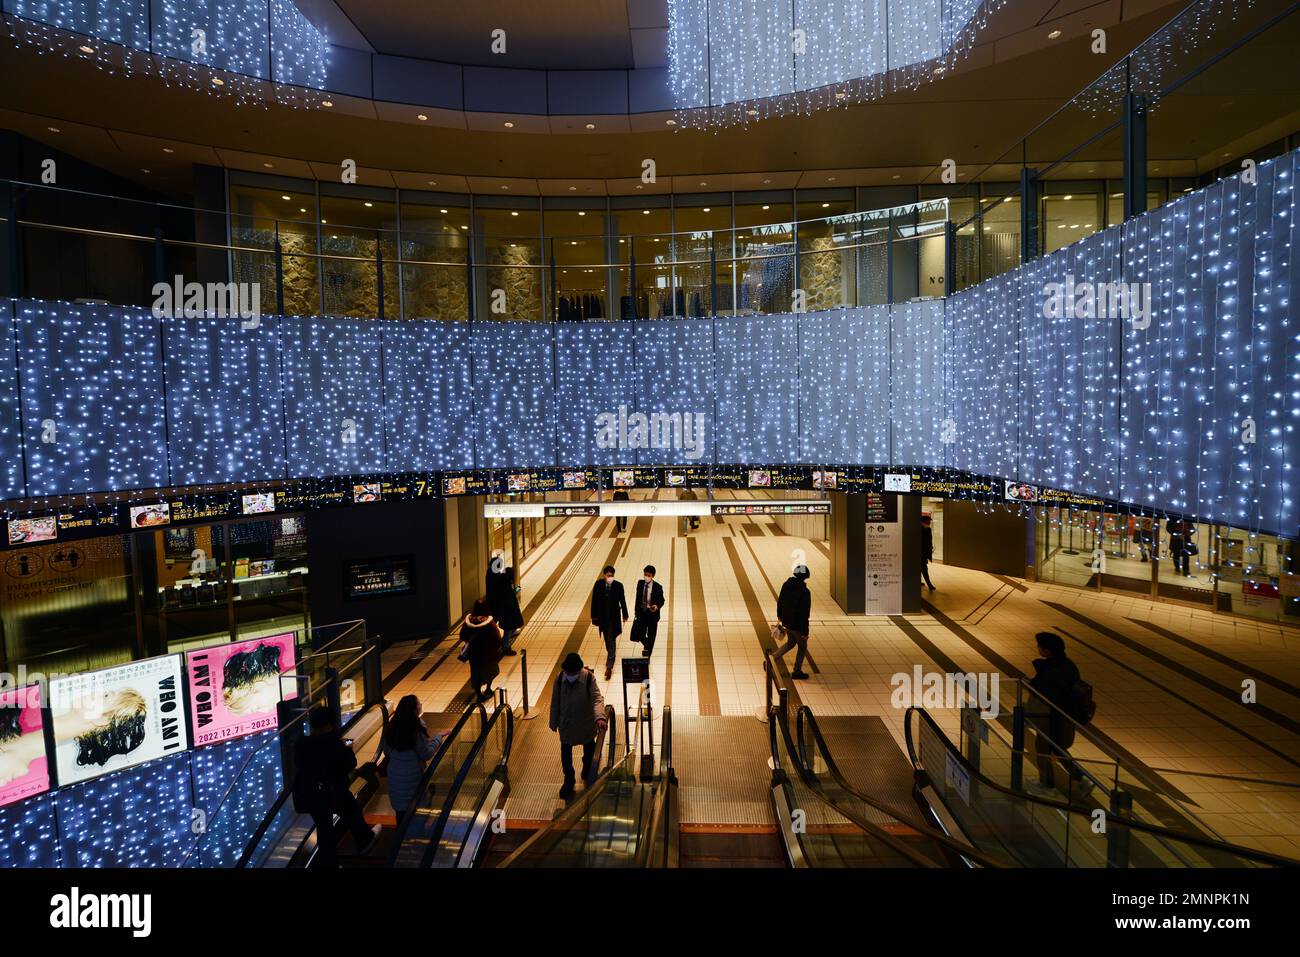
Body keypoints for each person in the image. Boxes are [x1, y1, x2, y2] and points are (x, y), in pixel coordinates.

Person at [292, 706, 381, 867]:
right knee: (352, 812)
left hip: (310, 795)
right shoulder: (333, 743)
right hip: (332, 793)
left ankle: (329, 864)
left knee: (324, 828)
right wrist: (347, 748)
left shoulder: (301, 744)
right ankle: (365, 841)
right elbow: (350, 764)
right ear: (327, 725)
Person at [1026, 632, 1089, 799]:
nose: (1038, 649)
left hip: (1050, 716)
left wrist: (1029, 684)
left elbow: (1041, 691)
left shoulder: (1050, 670)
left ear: (1047, 650)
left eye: (1040, 646)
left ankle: (1046, 784)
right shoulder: (1068, 665)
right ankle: (1080, 778)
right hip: (1065, 715)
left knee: (1042, 747)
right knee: (1058, 748)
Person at [549, 652, 607, 800]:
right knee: (566, 754)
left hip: (585, 723)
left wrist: (600, 717)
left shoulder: (588, 678)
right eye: (568, 672)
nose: (570, 675)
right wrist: (553, 720)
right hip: (567, 724)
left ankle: (587, 770)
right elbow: (555, 700)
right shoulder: (560, 678)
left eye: (573, 673)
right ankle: (569, 779)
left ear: (579, 670)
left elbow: (596, 699)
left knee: (589, 749)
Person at [383, 694, 443, 818]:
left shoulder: (392, 726)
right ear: (415, 709)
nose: (420, 705)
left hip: (394, 774)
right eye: (419, 703)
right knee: (415, 813)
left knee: (401, 813)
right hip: (413, 775)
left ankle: (400, 835)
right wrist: (438, 738)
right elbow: (426, 754)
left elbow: (386, 750)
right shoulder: (416, 728)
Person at [773, 564, 812, 680]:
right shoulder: (805, 592)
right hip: (797, 625)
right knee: (802, 647)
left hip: (786, 621)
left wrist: (780, 616)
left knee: (790, 643)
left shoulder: (786, 585)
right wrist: (805, 632)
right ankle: (797, 671)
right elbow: (804, 613)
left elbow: (780, 601)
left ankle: (772, 659)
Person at [590, 565, 628, 681]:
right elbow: (594, 600)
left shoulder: (618, 586)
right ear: (604, 575)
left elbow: (622, 600)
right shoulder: (598, 585)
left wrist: (625, 614)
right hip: (603, 618)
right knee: (608, 639)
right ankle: (610, 658)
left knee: (611, 638)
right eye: (608, 575)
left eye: (611, 575)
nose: (610, 577)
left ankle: (609, 666)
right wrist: (594, 616)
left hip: (613, 618)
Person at [461, 598, 503, 701]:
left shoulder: (469, 621)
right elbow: (497, 639)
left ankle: (478, 693)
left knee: (476, 673)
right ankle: (488, 689)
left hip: (474, 653)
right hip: (488, 653)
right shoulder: (489, 623)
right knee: (490, 671)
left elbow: (463, 635)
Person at [487, 564, 524, 656]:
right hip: (509, 613)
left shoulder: (501, 583)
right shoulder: (505, 587)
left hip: (506, 612)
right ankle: (505, 647)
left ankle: (503, 643)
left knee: (509, 628)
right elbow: (508, 601)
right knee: (508, 629)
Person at [632, 564, 665, 656]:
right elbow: (637, 598)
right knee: (641, 634)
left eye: (648, 575)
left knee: (651, 636)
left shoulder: (658, 587)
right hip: (641, 614)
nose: (646, 577)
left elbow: (662, 600)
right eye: (645, 575)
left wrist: (657, 606)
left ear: (653, 576)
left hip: (652, 615)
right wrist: (636, 611)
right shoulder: (640, 583)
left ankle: (648, 655)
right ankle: (648, 646)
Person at [920, 513, 936, 592]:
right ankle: (929, 585)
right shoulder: (926, 529)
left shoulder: (921, 528)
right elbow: (926, 542)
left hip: (921, 553)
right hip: (922, 554)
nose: (929, 522)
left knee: (921, 569)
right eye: (928, 521)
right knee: (924, 569)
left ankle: (926, 584)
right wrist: (929, 549)